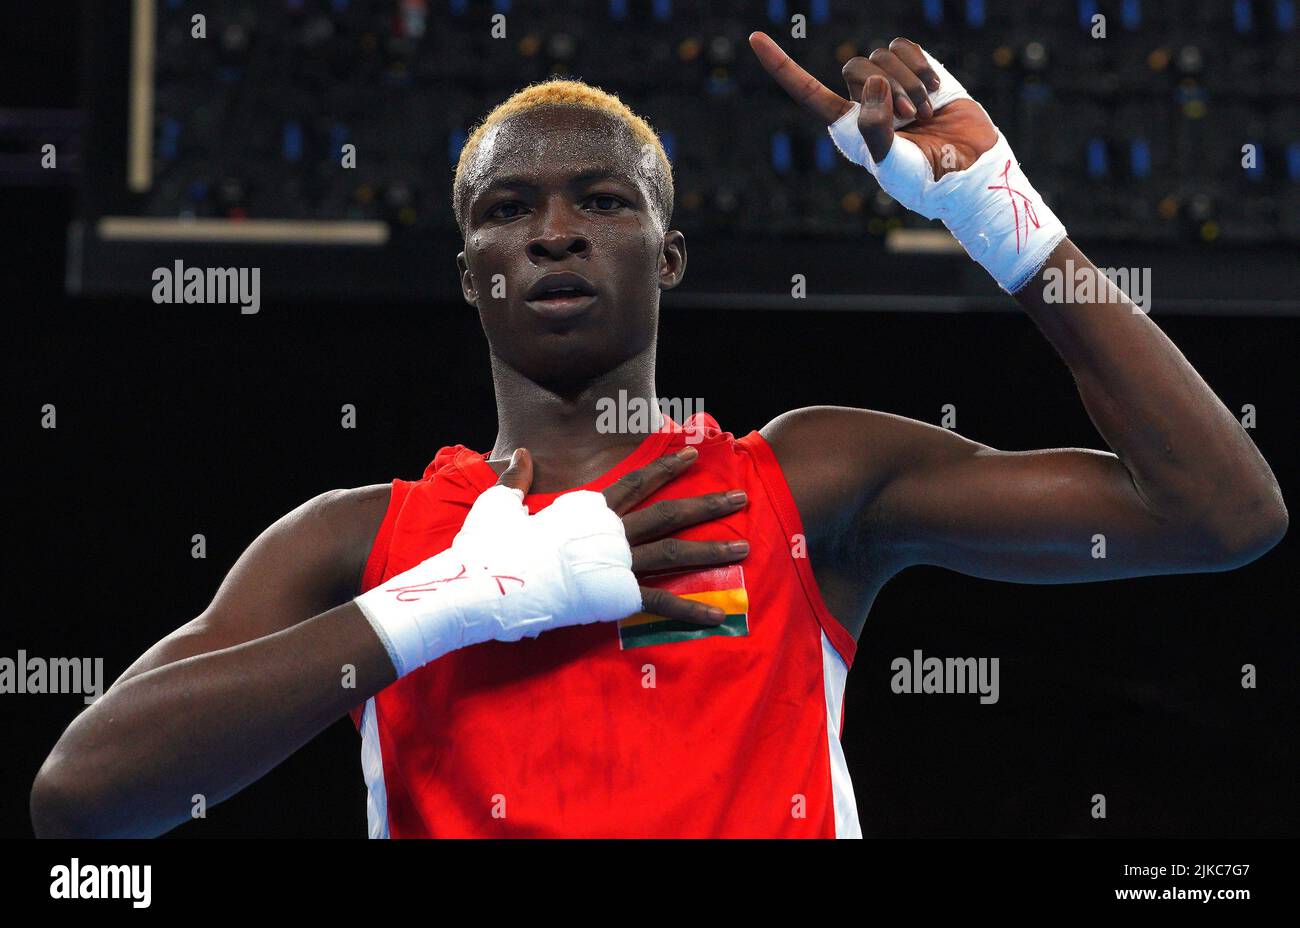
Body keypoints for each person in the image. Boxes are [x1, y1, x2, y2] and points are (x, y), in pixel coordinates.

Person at [32, 35, 1285, 839]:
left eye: (603, 200)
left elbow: (1218, 515)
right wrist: (459, 599)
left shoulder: (809, 481)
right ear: (472, 275)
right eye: (511, 208)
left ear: (667, 253)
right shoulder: (363, 540)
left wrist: (1011, 226)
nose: (556, 230)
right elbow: (82, 796)